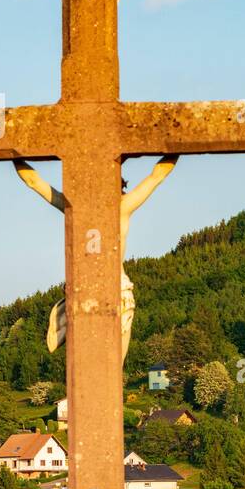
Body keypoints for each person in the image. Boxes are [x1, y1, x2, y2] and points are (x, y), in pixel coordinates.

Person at [13, 155, 177, 362]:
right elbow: (157, 176)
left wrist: (13, 153)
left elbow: (33, 182)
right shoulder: (121, 206)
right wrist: (179, 146)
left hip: (86, 290)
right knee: (111, 364)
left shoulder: (75, 207)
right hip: (113, 289)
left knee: (90, 363)